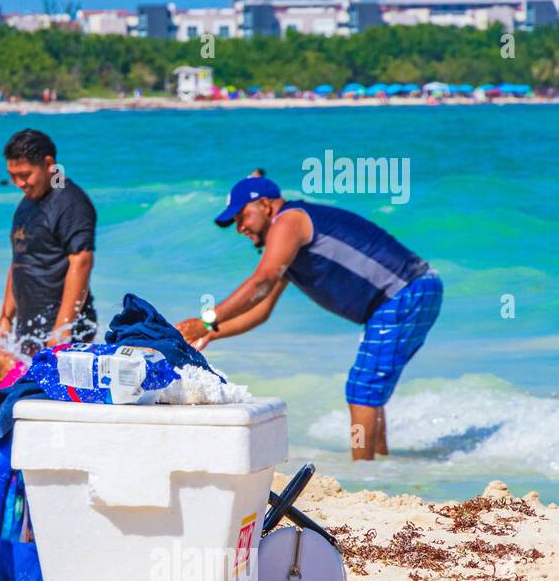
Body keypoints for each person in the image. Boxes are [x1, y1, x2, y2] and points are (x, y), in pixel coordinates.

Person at [176, 175, 442, 461]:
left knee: (362, 387)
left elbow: (262, 281)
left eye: (242, 217)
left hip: (407, 290)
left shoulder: (290, 220)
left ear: (265, 205)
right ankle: (379, 464)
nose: (240, 228)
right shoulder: (287, 252)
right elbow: (260, 310)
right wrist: (213, 332)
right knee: (369, 384)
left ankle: (365, 470)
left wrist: (206, 319)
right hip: (409, 292)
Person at [0, 128, 97, 354]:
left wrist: (62, 328)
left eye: (25, 175)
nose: (19, 183)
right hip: (29, 329)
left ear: (49, 164)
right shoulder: (27, 204)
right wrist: (5, 318)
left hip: (63, 331)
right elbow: (18, 262)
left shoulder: (71, 202)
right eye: (13, 176)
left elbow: (82, 261)